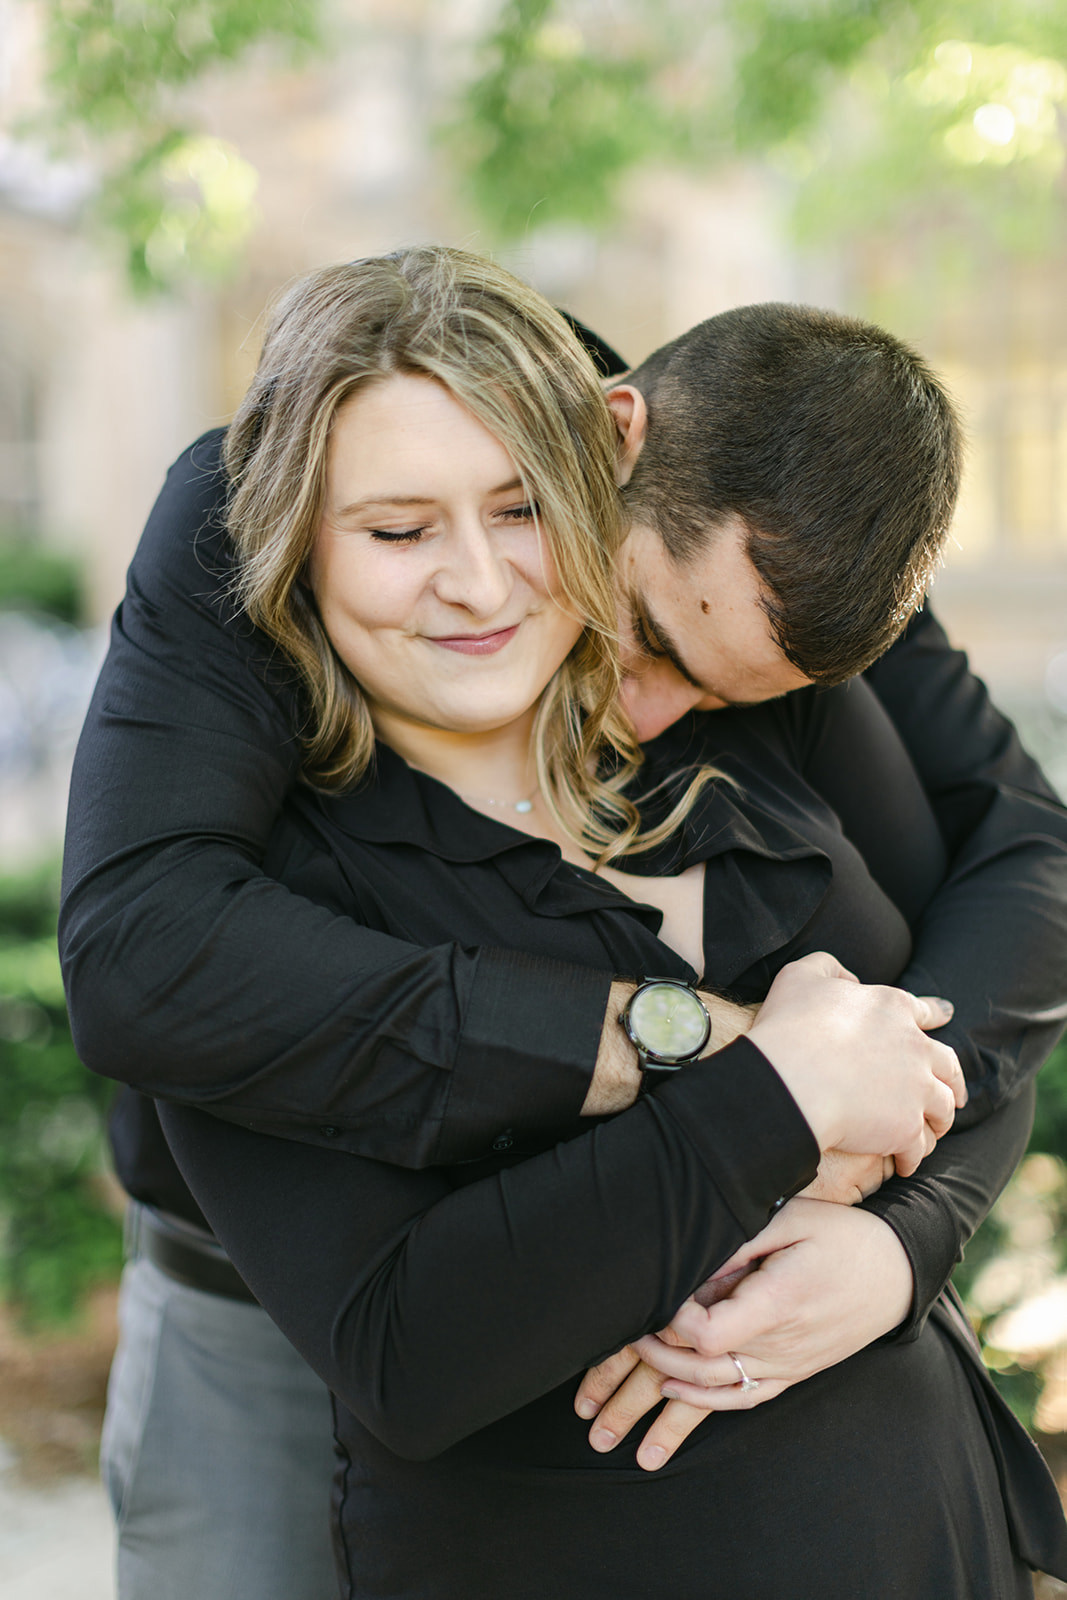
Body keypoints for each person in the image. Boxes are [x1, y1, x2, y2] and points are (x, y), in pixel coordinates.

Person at [59, 251, 1067, 1596]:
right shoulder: (264, 509)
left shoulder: (770, 536)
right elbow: (149, 959)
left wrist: (904, 1235)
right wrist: (731, 1063)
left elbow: (1005, 895)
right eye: (646, 637)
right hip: (265, 1292)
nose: (644, 709)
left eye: (517, 518)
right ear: (616, 441)